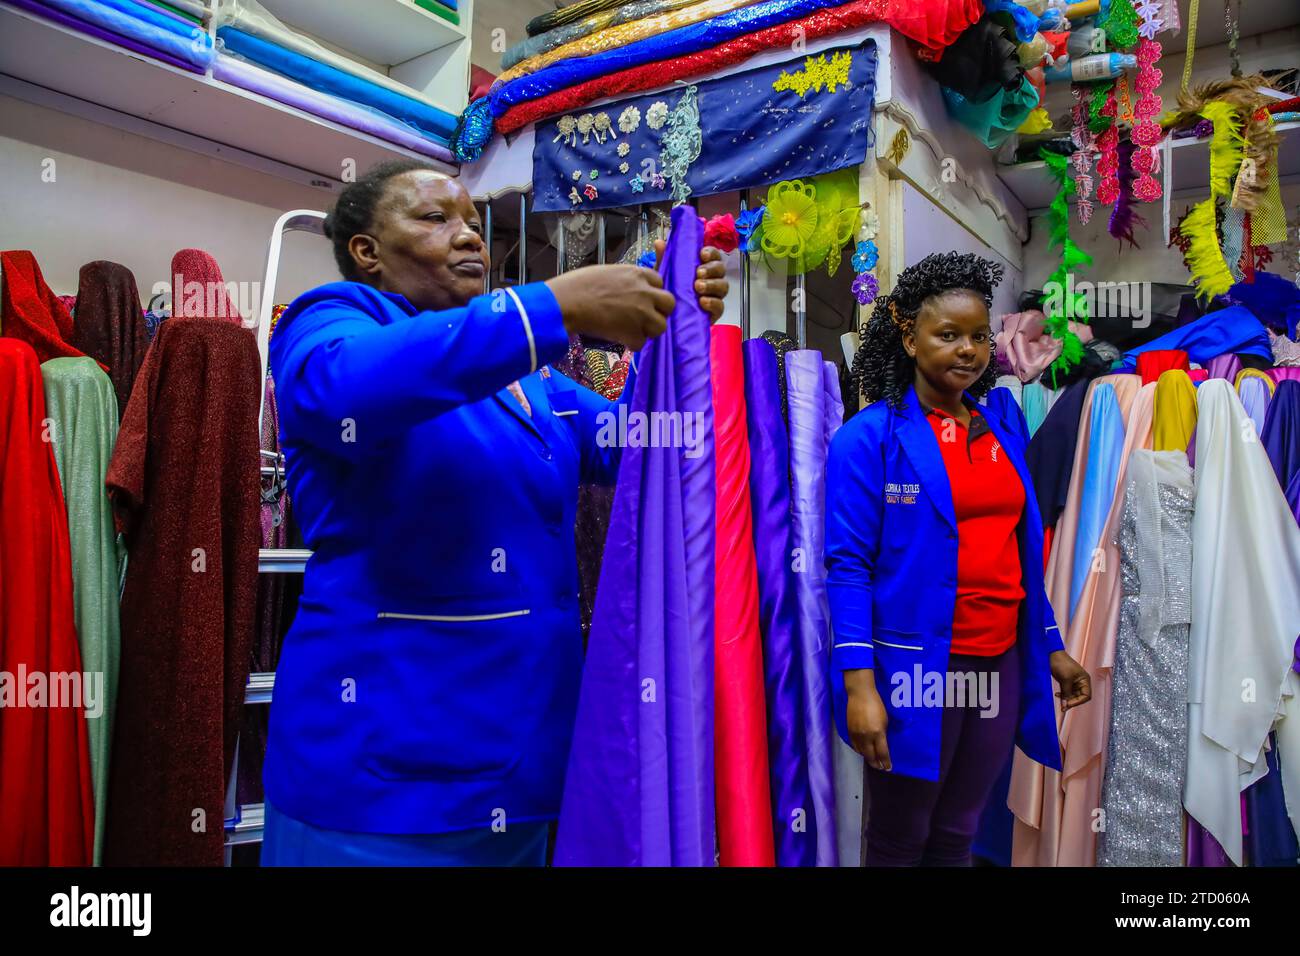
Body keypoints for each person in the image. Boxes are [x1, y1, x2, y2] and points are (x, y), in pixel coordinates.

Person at [260, 160, 729, 866]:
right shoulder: (328, 323)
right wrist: (554, 304)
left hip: (523, 768)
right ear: (367, 252)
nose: (468, 237)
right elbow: (349, 391)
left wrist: (674, 332)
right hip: (382, 788)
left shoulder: (527, 380)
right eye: (434, 219)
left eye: (472, 222)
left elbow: (644, 448)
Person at [825, 252, 1091, 867]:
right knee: (899, 837)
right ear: (910, 337)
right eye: (948, 335)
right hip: (916, 670)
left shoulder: (1001, 429)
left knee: (959, 832)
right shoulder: (868, 439)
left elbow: (1018, 555)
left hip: (997, 661)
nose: (968, 350)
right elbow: (847, 567)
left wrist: (1050, 645)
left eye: (977, 336)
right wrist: (860, 685)